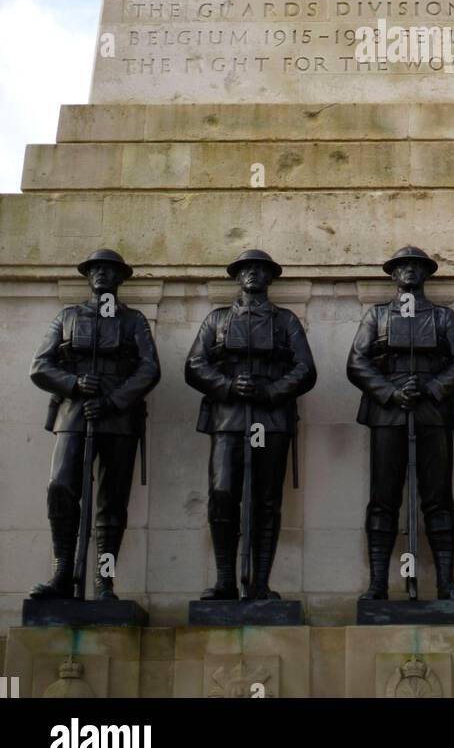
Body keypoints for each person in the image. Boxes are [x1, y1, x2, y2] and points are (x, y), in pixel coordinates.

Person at [185, 248, 316, 600]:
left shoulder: (285, 321)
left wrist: (272, 391)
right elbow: (195, 365)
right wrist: (228, 386)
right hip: (228, 418)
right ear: (237, 276)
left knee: (266, 499)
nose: (253, 274)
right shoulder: (217, 320)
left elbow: (305, 368)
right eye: (247, 269)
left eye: (260, 269)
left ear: (271, 277)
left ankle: (260, 583)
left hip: (269, 420)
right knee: (223, 494)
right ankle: (225, 579)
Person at [29, 248, 160, 600]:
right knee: (61, 488)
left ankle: (104, 580)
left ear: (121, 278)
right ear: (88, 276)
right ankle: (63, 573)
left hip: (118, 418)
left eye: (110, 270)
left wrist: (113, 400)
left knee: (111, 504)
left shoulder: (134, 321)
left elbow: (149, 369)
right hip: (73, 415)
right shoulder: (67, 317)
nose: (102, 274)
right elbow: (40, 366)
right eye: (96, 269)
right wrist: (73, 384)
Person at [347, 246, 454, 600]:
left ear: (426, 274)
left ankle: (446, 584)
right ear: (393, 274)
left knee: (438, 498)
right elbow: (357, 363)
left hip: (433, 413)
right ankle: (377, 584)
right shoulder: (376, 316)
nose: (409, 272)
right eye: (403, 267)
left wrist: (433, 388)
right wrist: (390, 392)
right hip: (388, 413)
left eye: (416, 267)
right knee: (383, 498)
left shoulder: (443, 317)